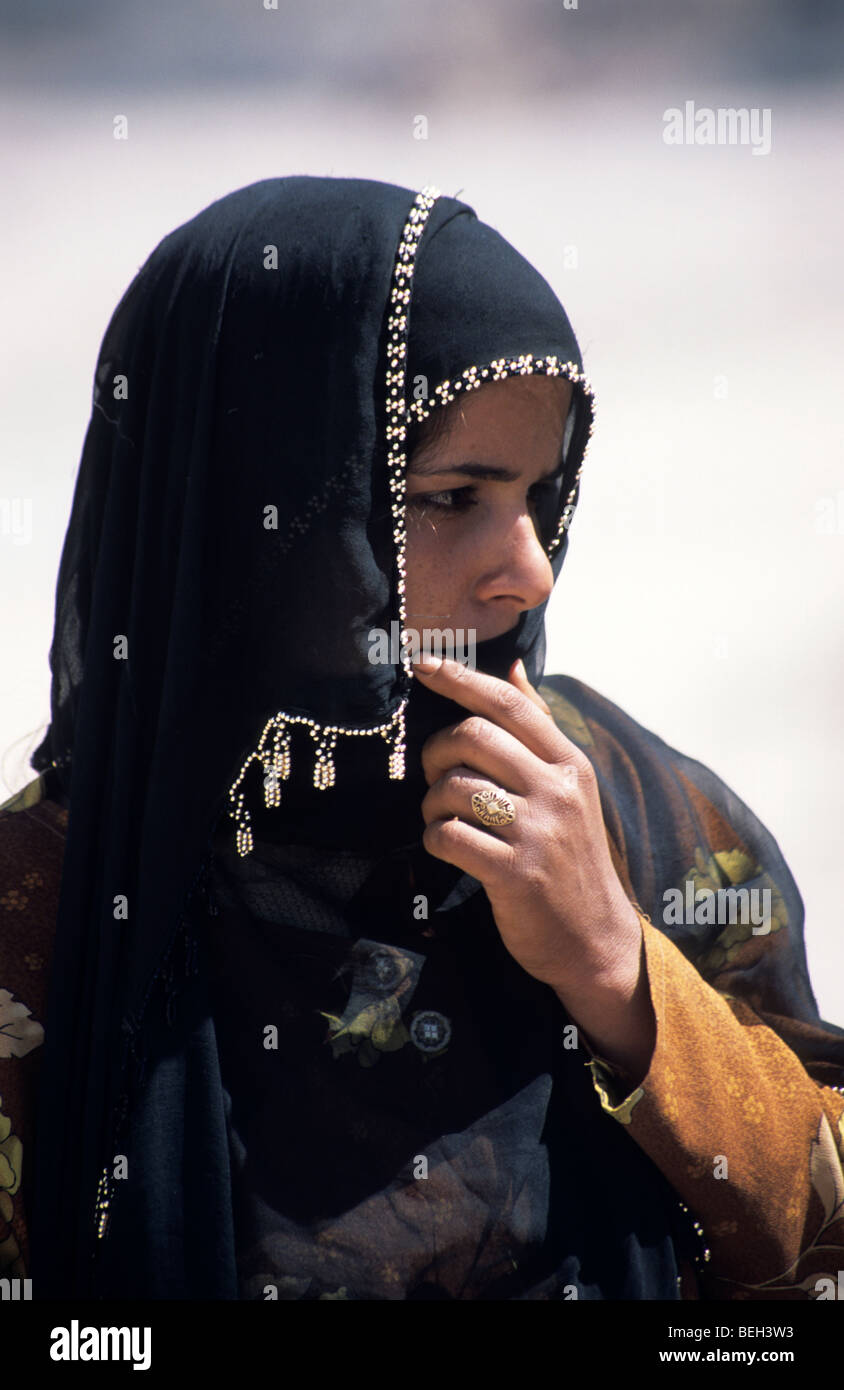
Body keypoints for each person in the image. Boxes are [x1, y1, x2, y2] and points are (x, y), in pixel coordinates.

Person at [1, 176, 843, 1302]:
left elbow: (818, 1250)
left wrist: (620, 979)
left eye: (543, 495)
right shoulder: (47, 909)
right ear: (268, 514)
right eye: (453, 497)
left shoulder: (640, 817)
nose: (530, 566)